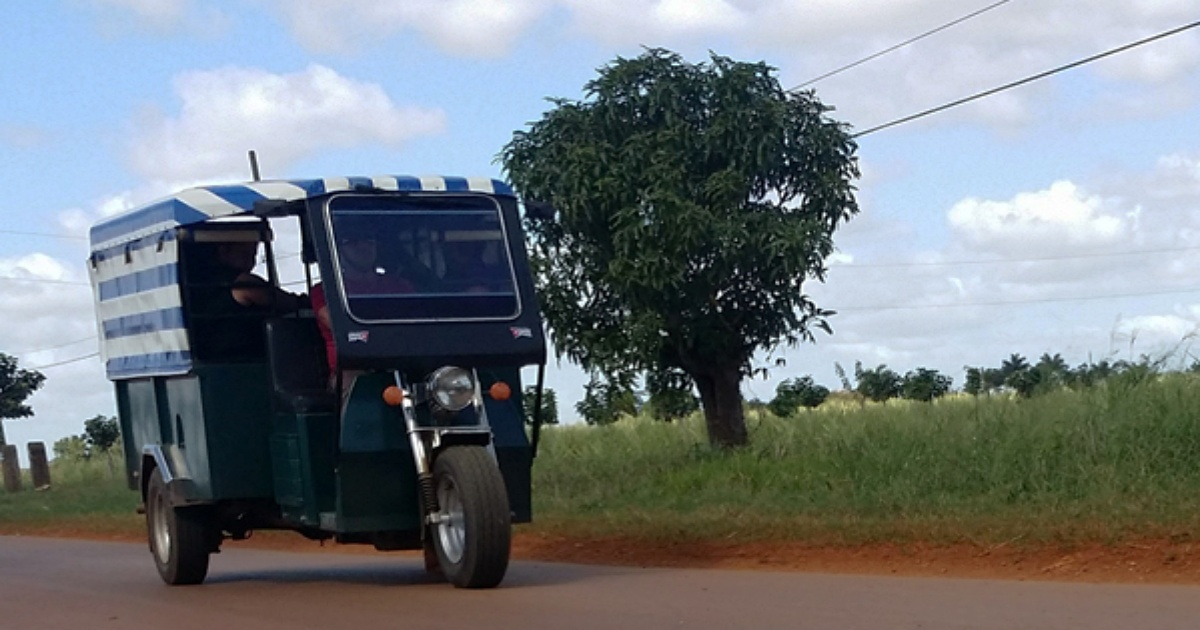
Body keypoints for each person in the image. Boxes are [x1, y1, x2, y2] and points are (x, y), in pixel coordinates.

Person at [310, 229, 414, 390]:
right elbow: (340, 325)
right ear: (338, 250)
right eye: (352, 241)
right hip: (352, 367)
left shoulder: (400, 286)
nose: (363, 246)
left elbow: (415, 319)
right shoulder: (325, 291)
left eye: (369, 239)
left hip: (404, 362)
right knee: (356, 387)